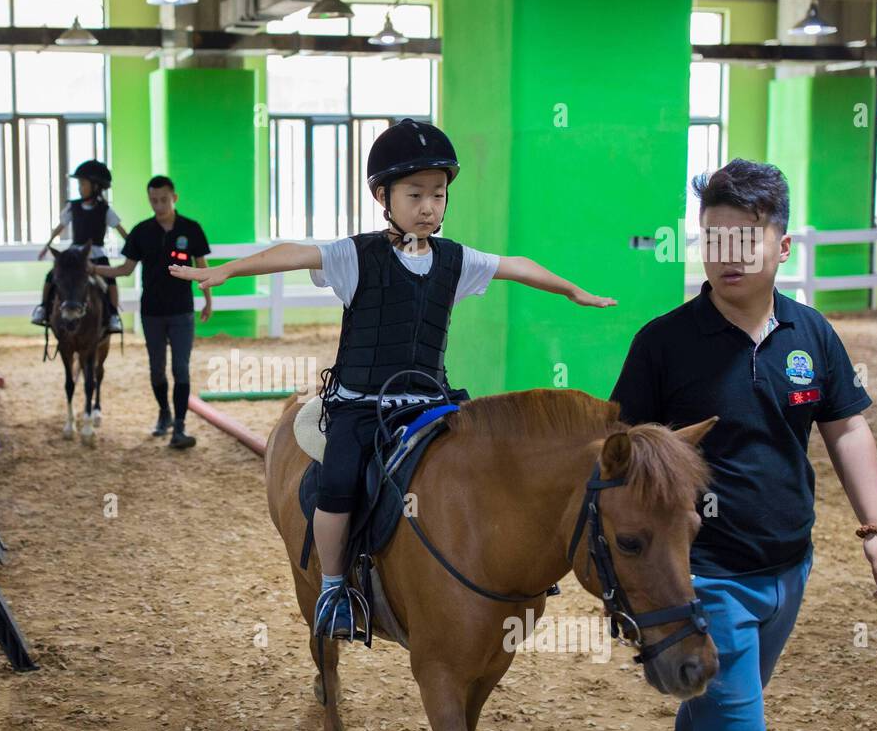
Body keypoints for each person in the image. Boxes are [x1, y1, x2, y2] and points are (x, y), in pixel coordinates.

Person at [171, 119, 616, 640]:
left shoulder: (456, 260)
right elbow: (294, 252)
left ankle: (498, 559)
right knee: (337, 484)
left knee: (488, 465)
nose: (429, 206)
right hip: (361, 405)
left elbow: (515, 265)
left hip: (431, 402)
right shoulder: (355, 256)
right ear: (384, 195)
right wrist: (226, 271)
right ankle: (335, 588)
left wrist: (571, 291)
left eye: (438, 194)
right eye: (415, 194)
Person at [611, 159, 877, 731]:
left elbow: (846, 429)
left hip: (790, 567)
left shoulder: (812, 332)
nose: (727, 256)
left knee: (724, 700)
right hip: (707, 576)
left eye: (745, 239)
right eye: (712, 239)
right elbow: (619, 456)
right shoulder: (663, 345)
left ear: (782, 246)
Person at [91, 175, 211, 449]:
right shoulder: (141, 231)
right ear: (149, 199)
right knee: (156, 370)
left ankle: (179, 427)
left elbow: (202, 267)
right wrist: (94, 269)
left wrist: (208, 300)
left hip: (182, 311)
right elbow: (124, 269)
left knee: (180, 368)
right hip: (152, 312)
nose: (159, 205)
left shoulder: (191, 229)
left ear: (174, 198)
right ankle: (164, 413)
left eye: (164, 199)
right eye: (154, 200)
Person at [33, 160, 128, 334]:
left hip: (97, 254)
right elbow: (59, 227)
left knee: (111, 282)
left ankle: (113, 314)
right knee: (51, 276)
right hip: (75, 255)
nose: (79, 187)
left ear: (96, 186)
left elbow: (121, 230)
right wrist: (47, 246)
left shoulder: (105, 210)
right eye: (79, 184)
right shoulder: (73, 207)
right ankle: (44, 308)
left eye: (82, 183)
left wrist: (133, 245)